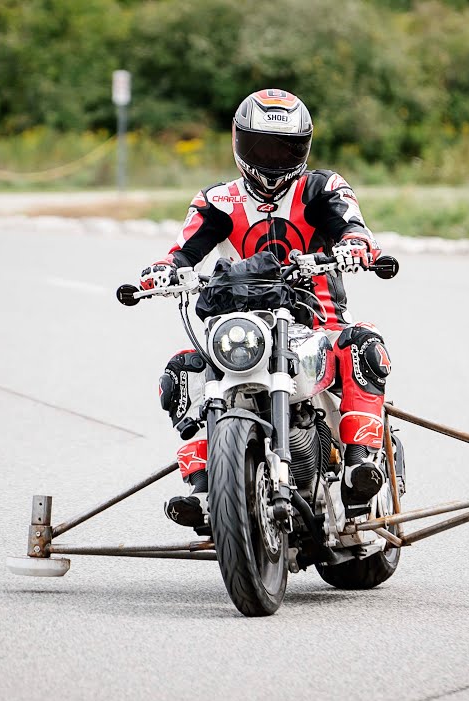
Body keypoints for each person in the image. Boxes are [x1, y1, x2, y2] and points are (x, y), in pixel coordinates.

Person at [138, 88, 393, 528]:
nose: (273, 160)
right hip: (242, 328)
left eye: (285, 148)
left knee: (364, 346)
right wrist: (163, 270)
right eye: (262, 147)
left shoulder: (322, 188)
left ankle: (359, 464)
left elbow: (353, 225)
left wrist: (355, 244)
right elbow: (183, 250)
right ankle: (204, 487)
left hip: (319, 324)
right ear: (238, 142)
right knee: (181, 372)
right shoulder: (218, 200)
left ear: (304, 147)